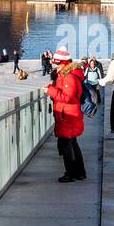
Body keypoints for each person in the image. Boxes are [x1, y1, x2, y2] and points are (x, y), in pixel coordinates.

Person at [45, 47, 86, 182]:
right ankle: (79, 173)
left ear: (63, 64)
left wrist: (50, 90)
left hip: (68, 116)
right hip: (67, 114)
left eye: (57, 64)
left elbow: (67, 97)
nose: (55, 67)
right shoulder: (66, 76)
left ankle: (71, 173)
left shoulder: (69, 77)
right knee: (72, 143)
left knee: (67, 145)